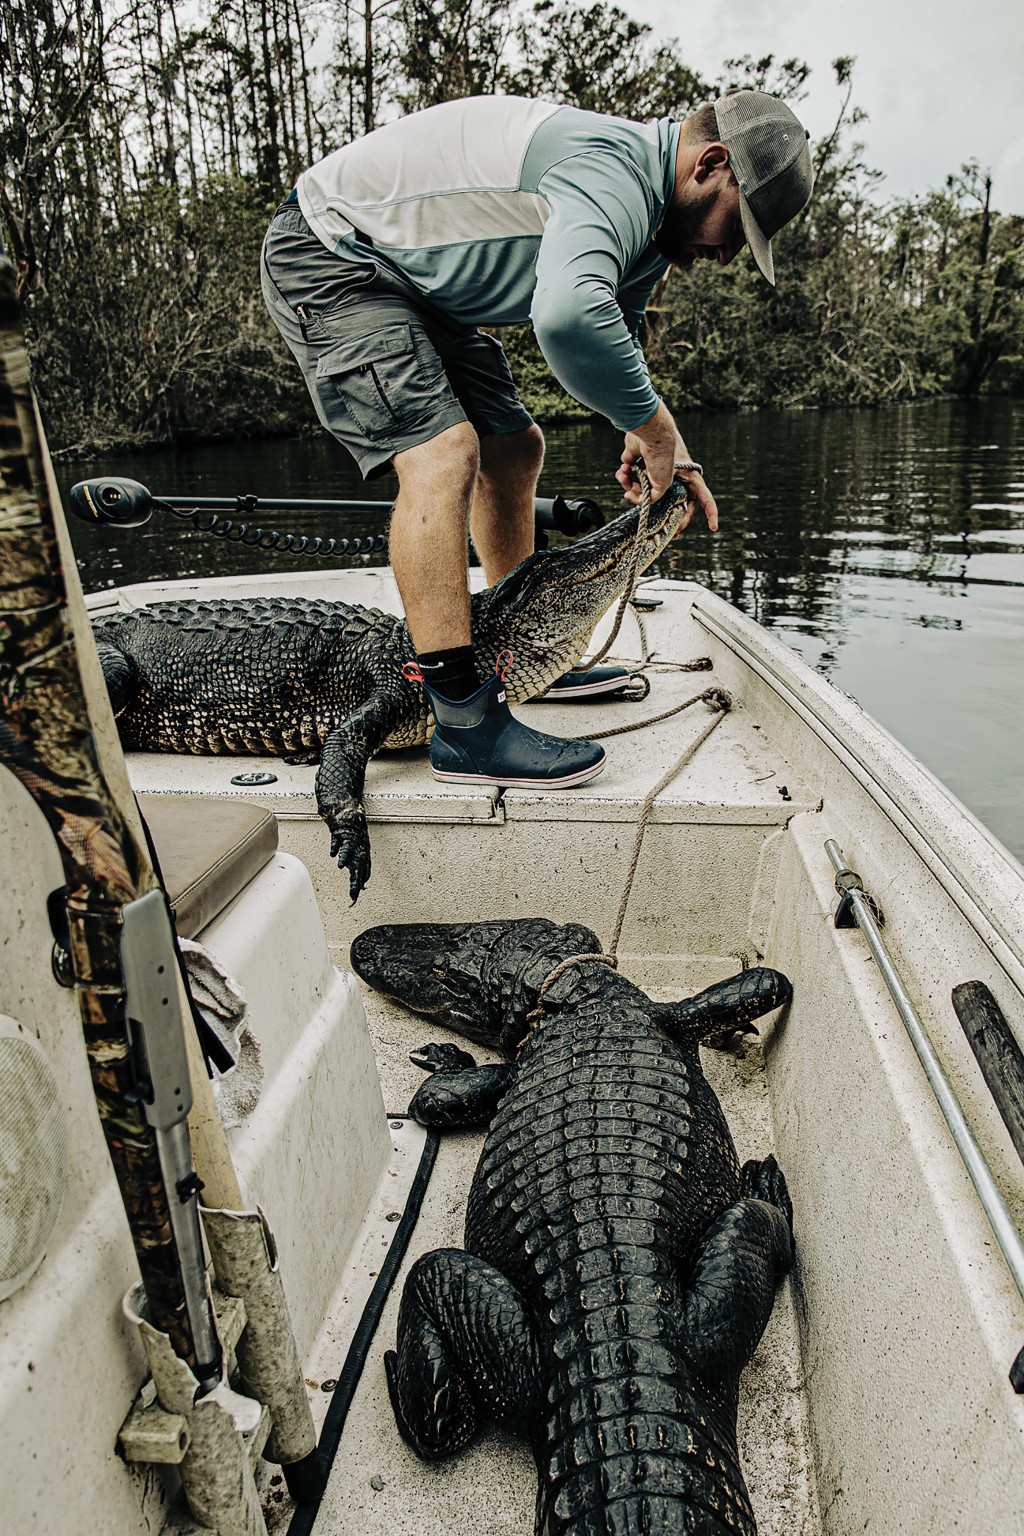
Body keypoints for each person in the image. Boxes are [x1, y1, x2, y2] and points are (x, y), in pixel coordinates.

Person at [261, 90, 814, 789]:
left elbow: (614, 328)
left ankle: (517, 660)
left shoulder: (652, 227)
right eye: (740, 226)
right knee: (443, 452)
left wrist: (654, 437)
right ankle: (463, 724)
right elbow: (568, 315)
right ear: (709, 164)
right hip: (333, 251)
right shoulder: (611, 172)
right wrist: (654, 423)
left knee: (515, 448)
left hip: (418, 289)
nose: (730, 255)